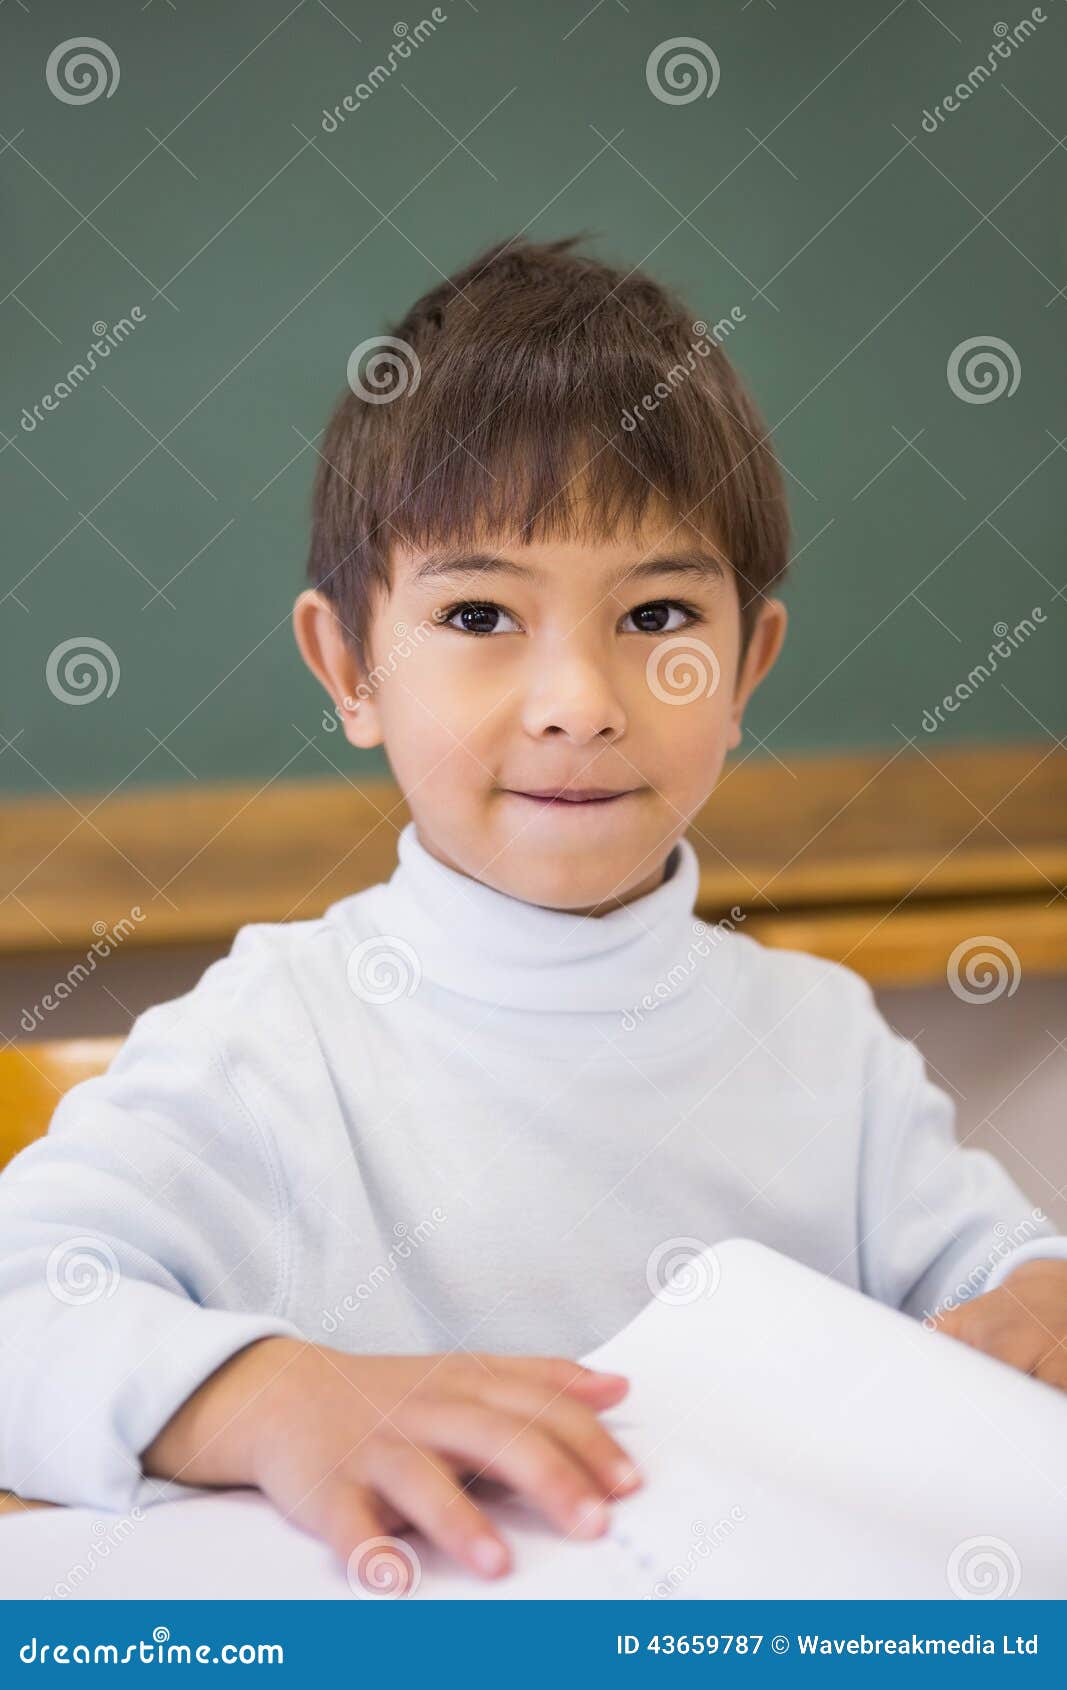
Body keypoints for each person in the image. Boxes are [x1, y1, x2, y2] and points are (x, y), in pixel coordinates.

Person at [2, 235, 1065, 1591]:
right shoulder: (272, 1041)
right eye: (483, 613)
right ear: (349, 665)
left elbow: (1010, 1275)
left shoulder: (822, 1047)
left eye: (660, 612)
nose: (579, 698)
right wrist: (274, 1399)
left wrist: (1045, 1287)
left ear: (747, 666)